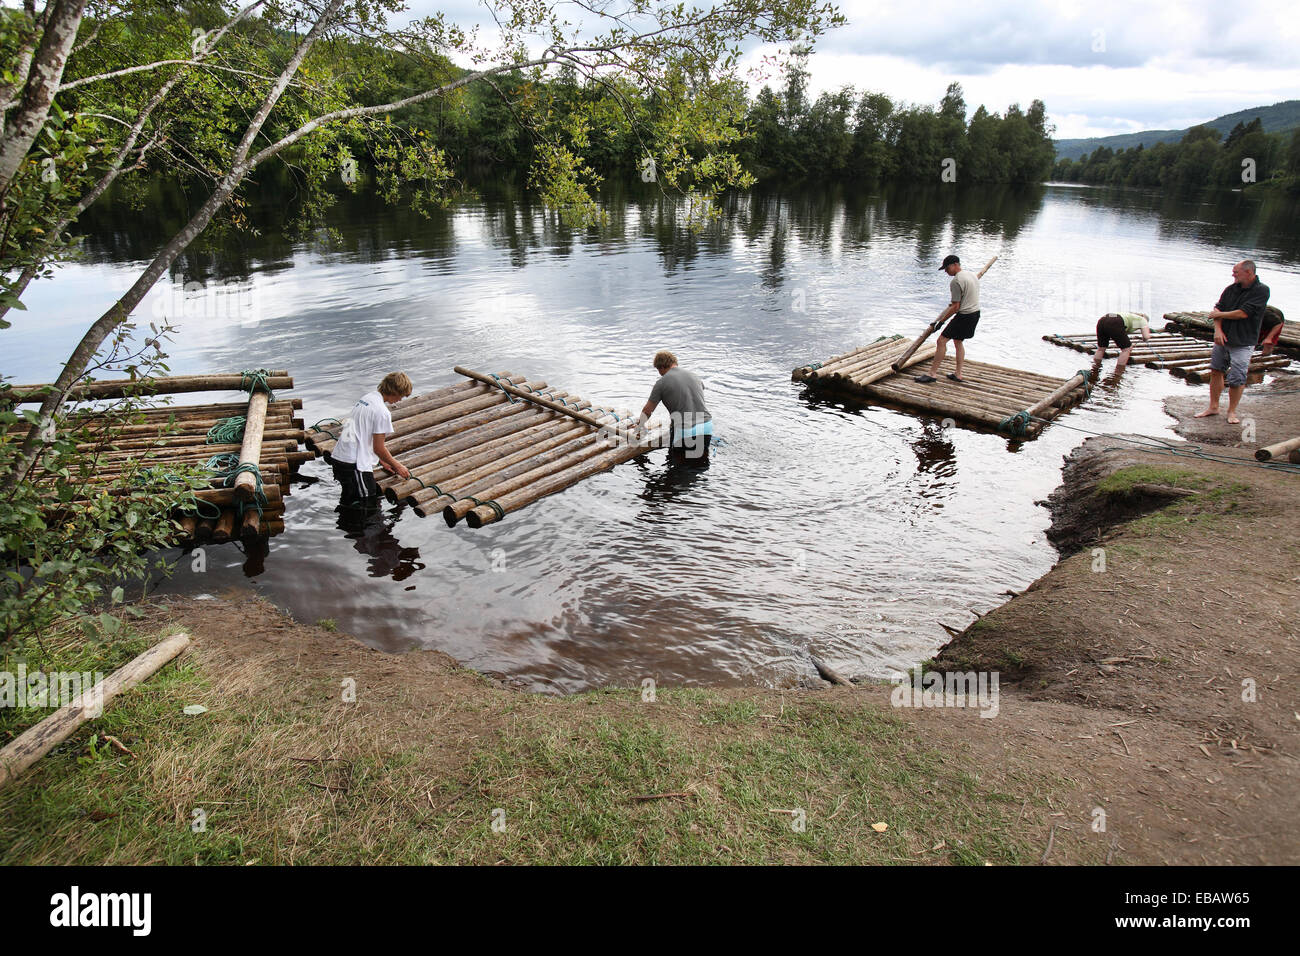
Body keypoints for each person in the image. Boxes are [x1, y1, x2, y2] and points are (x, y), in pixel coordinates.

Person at [1194, 260, 1270, 425]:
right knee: (1216, 370)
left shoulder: (1261, 290)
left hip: (1244, 341)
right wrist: (1218, 330)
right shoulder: (1230, 289)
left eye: (1236, 272)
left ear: (1248, 272)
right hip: (1223, 337)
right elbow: (1217, 310)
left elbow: (1243, 314)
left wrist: (1219, 315)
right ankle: (1213, 407)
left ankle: (1232, 411)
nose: (1233, 275)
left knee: (1237, 376)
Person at [331, 371, 413, 512]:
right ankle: (357, 530)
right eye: (401, 395)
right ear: (394, 391)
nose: (400, 400)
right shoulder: (382, 412)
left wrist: (383, 461)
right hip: (353, 465)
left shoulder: (367, 398)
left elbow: (363, 434)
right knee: (367, 504)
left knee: (349, 499)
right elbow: (378, 448)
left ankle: (347, 528)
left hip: (340, 458)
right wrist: (398, 466)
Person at [637, 350, 712, 465]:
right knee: (700, 464)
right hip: (706, 426)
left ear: (661, 367)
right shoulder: (694, 376)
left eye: (658, 370)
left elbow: (647, 410)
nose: (660, 373)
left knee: (677, 468)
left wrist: (639, 427)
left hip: (685, 431)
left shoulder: (661, 383)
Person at [915, 254, 980, 384]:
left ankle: (932, 374)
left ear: (955, 265)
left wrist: (941, 321)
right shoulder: (972, 275)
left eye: (947, 268)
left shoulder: (956, 281)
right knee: (958, 341)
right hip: (975, 314)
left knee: (941, 341)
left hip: (964, 315)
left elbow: (956, 306)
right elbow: (960, 300)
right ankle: (958, 374)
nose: (946, 271)